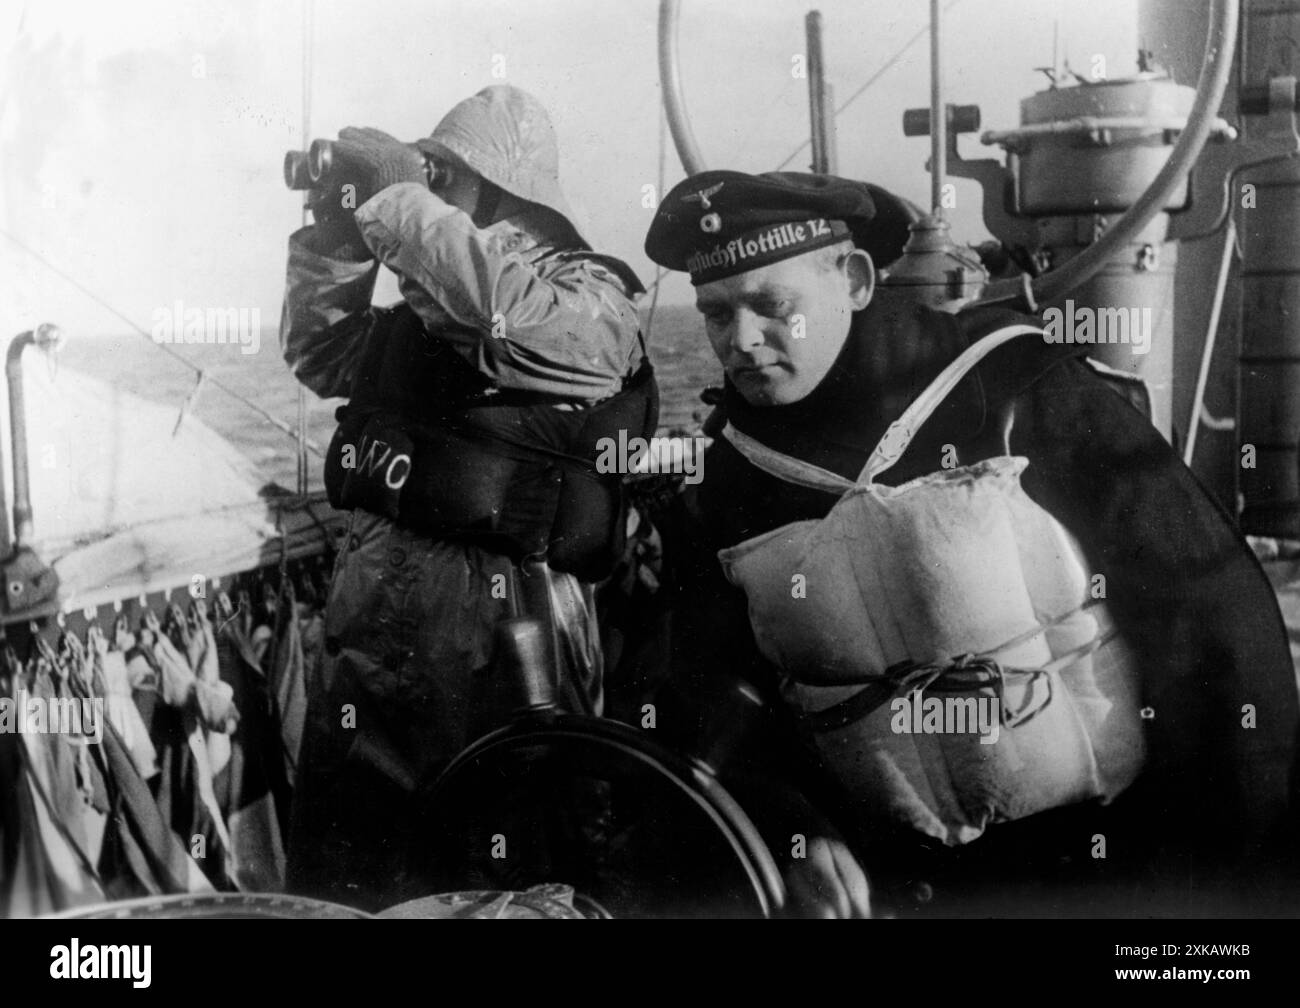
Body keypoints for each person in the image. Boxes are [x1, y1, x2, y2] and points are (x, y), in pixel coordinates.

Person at [643, 169, 1299, 919]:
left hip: (1114, 866)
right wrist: (791, 826)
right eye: (716, 315)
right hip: (901, 891)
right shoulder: (725, 481)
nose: (742, 341)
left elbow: (1217, 623)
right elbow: (711, 691)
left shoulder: (1017, 389)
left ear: (855, 280)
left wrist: (1230, 886)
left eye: (772, 307)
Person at [279, 85, 656, 910]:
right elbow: (319, 354)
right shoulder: (430, 294)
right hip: (371, 620)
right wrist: (340, 231)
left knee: (500, 872)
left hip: (505, 630)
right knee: (354, 865)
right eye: (426, 173)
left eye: (444, 174)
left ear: (503, 184)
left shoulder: (589, 296)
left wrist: (396, 196)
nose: (429, 187)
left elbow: (507, 323)